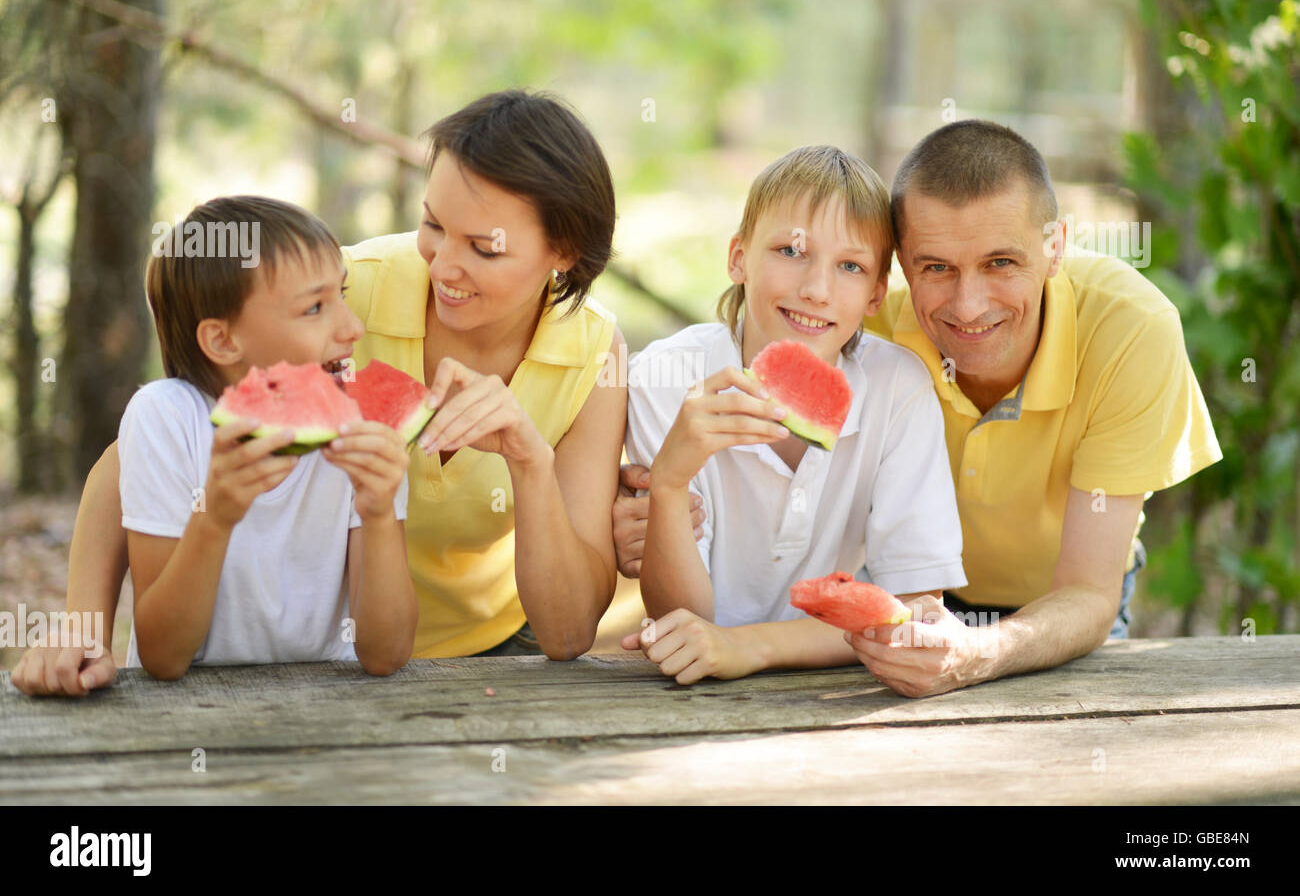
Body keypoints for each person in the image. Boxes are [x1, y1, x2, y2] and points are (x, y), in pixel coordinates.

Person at [12, 90, 625, 695]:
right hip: (329, 662)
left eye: (485, 248)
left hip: (485, 653)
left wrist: (529, 461)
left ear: (563, 252)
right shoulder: (343, 291)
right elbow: (140, 453)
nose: (441, 267)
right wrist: (82, 626)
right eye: (433, 224)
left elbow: (569, 633)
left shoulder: (596, 358)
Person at [615, 121, 1222, 697]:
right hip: (898, 611)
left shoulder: (1131, 330)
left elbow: (1088, 593)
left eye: (1001, 262)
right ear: (902, 273)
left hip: (1048, 611)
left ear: (1056, 246)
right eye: (936, 268)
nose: (968, 304)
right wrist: (643, 508)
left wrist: (978, 651)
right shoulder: (852, 320)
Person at [618, 145, 967, 685]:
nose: (816, 290)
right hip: (693, 691)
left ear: (877, 293)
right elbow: (681, 619)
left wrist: (749, 646)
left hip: (839, 693)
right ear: (738, 257)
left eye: (850, 266)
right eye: (790, 251)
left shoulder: (898, 387)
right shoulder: (666, 377)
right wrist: (668, 482)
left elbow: (910, 610)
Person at [120, 196, 413, 679]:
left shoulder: (362, 423)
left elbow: (385, 654)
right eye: (315, 307)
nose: (353, 328)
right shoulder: (165, 418)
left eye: (342, 294)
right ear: (222, 341)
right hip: (187, 716)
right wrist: (214, 519)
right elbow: (164, 657)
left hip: (332, 712)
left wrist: (379, 513)